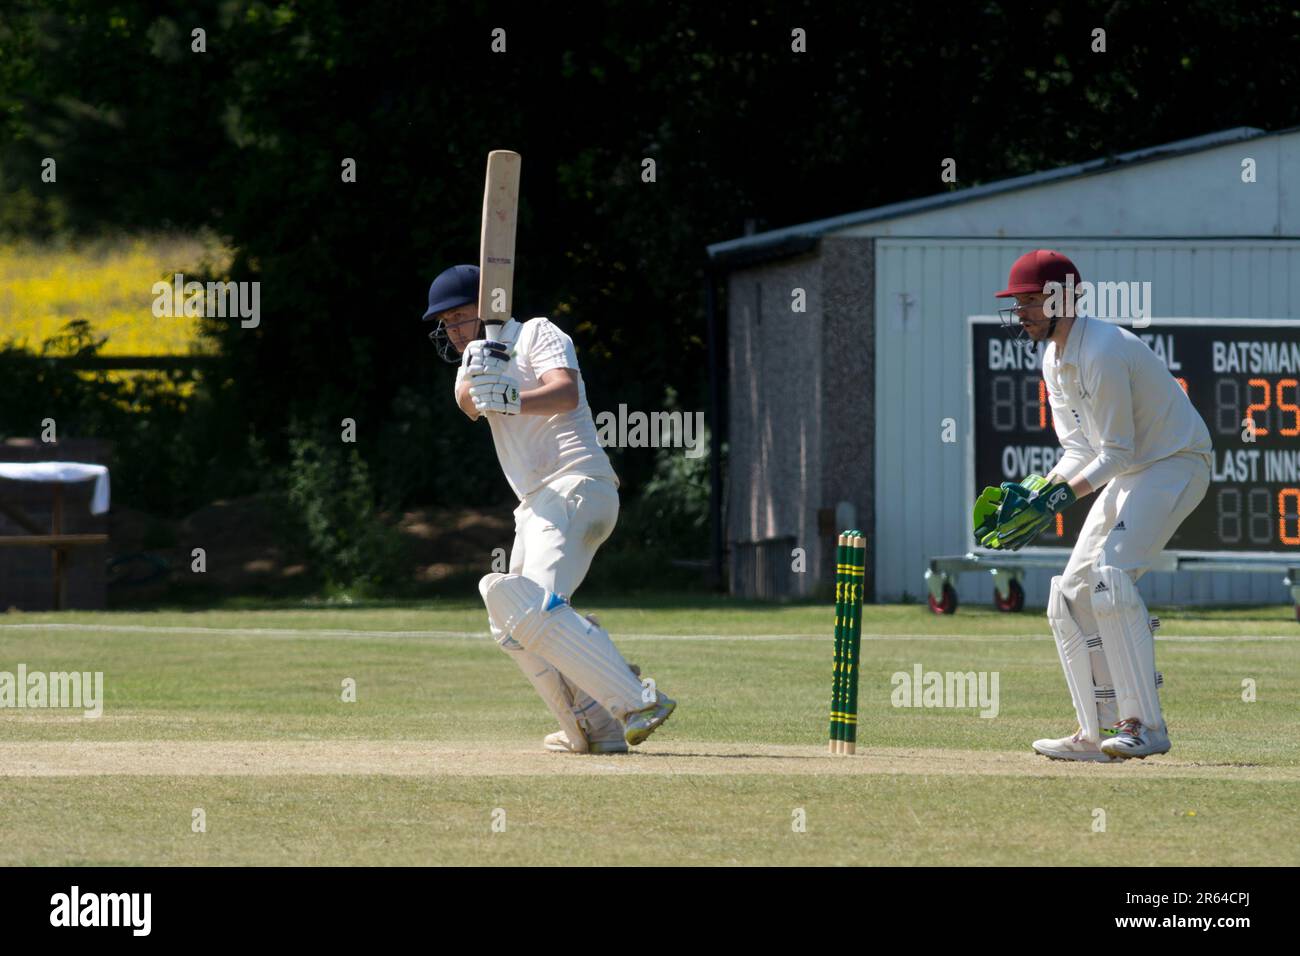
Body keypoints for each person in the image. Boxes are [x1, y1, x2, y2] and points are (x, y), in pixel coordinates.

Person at [421, 264, 676, 753]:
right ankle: (593, 728)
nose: (451, 329)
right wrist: (479, 368)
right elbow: (467, 402)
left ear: (488, 306)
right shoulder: (476, 358)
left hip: (577, 486)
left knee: (530, 605)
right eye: (445, 322)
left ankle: (638, 699)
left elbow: (565, 392)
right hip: (538, 505)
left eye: (459, 316)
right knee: (508, 620)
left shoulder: (538, 331)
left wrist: (513, 395)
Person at [985, 250, 1212, 760]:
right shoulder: (1053, 358)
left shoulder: (1105, 348)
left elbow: (1117, 451)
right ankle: (1095, 733)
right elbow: (1079, 451)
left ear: (1063, 299)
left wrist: (1059, 499)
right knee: (1069, 593)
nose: (1021, 313)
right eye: (1017, 303)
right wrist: (1040, 493)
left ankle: (1145, 726)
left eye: (1029, 301)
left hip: (1176, 461)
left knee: (1111, 577)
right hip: (1134, 470)